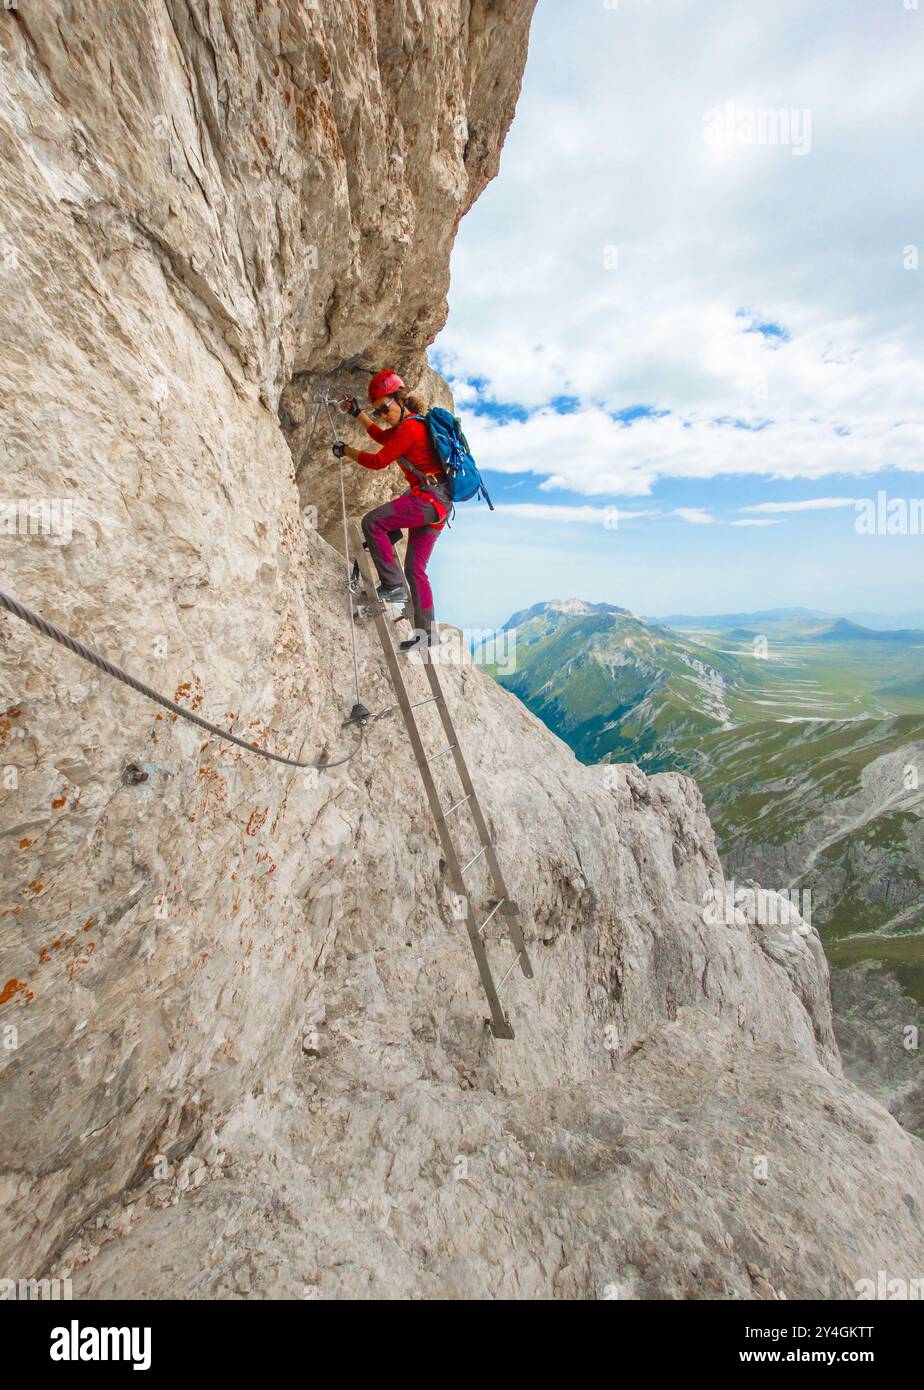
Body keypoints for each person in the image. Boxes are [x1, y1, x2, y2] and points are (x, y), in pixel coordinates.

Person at [335, 370, 450, 654]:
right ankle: (426, 634)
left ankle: (391, 584)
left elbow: (378, 461)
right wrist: (358, 414)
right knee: (416, 568)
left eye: (386, 408)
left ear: (400, 399)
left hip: (427, 499)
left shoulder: (410, 428)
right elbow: (382, 437)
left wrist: (345, 450)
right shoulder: (409, 427)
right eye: (380, 411)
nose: (383, 414)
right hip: (440, 503)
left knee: (373, 522)